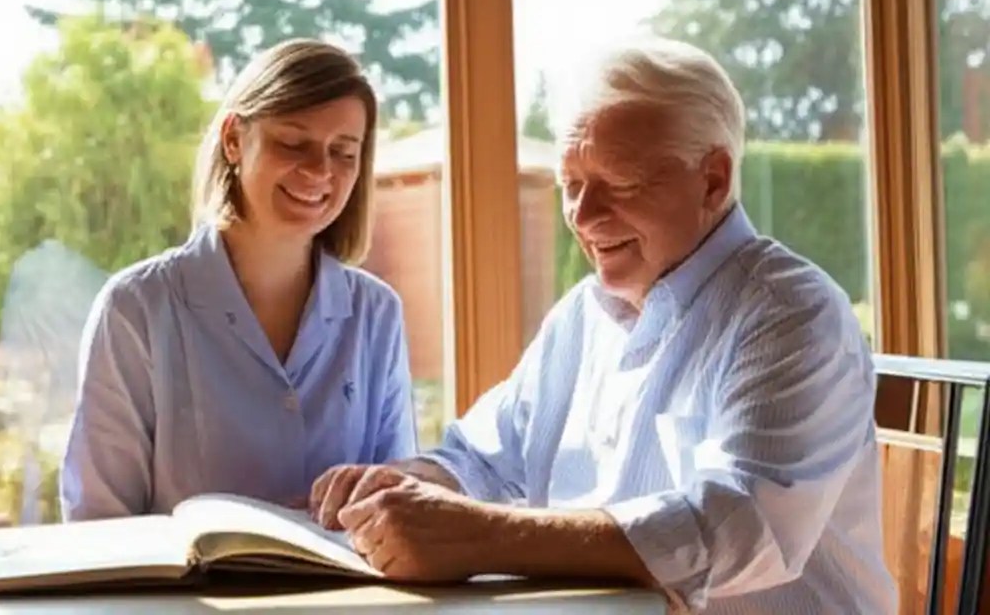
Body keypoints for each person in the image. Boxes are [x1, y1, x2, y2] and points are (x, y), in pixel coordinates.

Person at [307, 37, 896, 614]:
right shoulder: (581, 317)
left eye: (620, 183)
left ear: (713, 179)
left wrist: (476, 535)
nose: (583, 217)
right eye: (571, 185)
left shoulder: (788, 312)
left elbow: (743, 525)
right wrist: (404, 483)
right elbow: (486, 459)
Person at [60, 38, 417, 519]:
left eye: (344, 152)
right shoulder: (137, 308)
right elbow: (98, 525)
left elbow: (397, 505)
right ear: (233, 139)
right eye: (294, 143)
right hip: (183, 597)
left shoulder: (376, 314)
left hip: (344, 596)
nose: (319, 171)